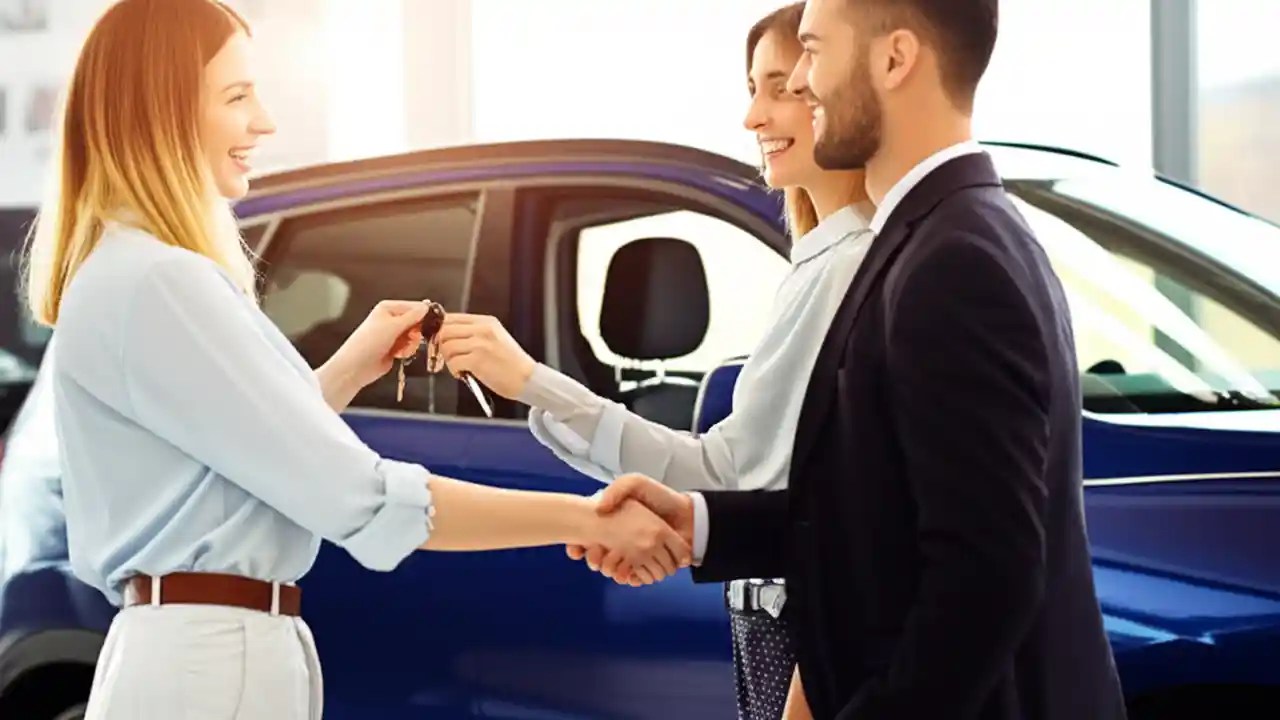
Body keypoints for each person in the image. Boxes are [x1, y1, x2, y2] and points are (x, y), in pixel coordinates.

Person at [21, 2, 688, 718]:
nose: (264, 123)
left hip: (196, 654)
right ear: (163, 109)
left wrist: (345, 372)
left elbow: (245, 457)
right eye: (238, 96)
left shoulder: (125, 273)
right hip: (211, 664)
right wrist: (587, 518)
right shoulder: (161, 280)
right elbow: (358, 496)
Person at [589, 0, 1130, 718]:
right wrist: (703, 524)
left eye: (813, 52)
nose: (804, 85)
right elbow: (885, 519)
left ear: (894, 59)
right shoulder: (937, 237)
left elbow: (983, 579)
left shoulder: (953, 261)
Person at [435, 4, 873, 718]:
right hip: (781, 627)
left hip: (805, 640)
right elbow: (726, 474)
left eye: (780, 86)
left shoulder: (856, 269)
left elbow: (725, 475)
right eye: (752, 87)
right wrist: (529, 385)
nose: (752, 117)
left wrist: (530, 383)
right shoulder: (820, 266)